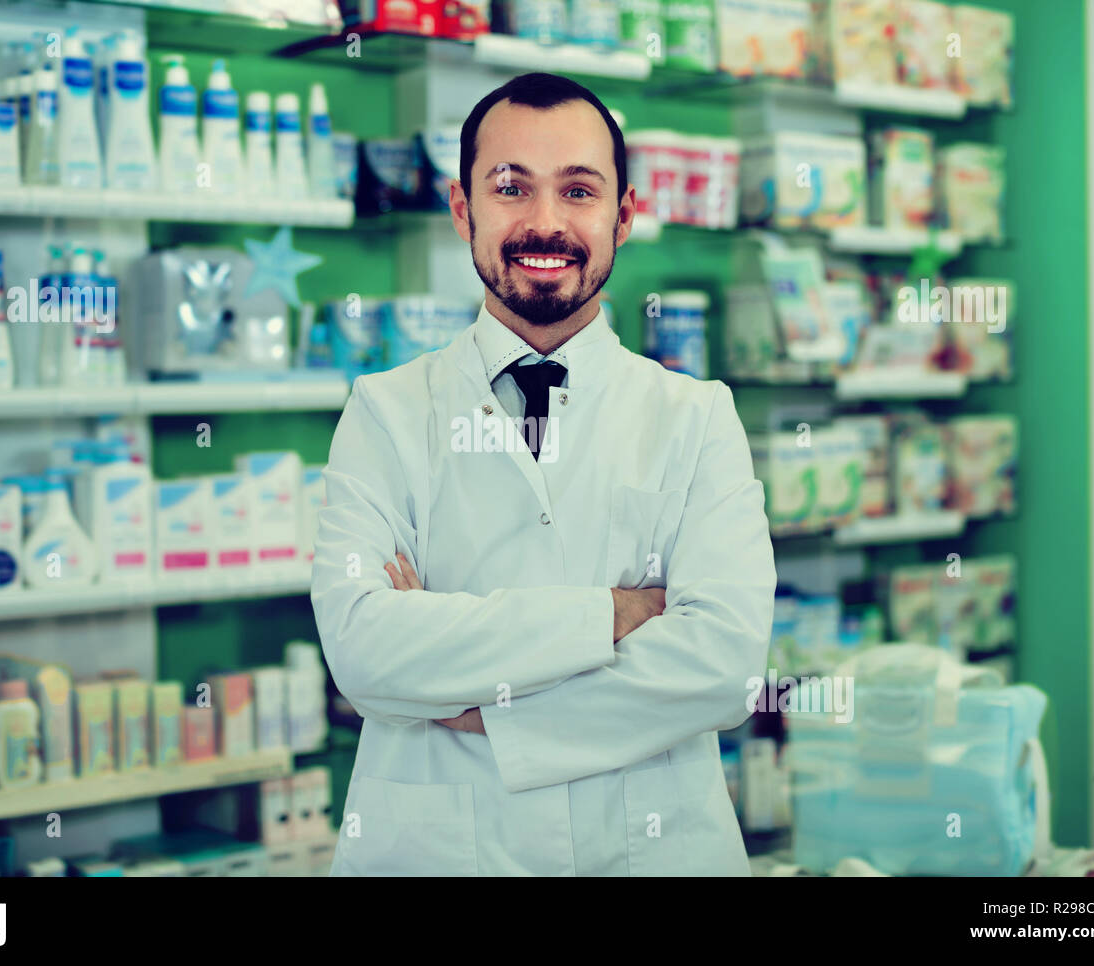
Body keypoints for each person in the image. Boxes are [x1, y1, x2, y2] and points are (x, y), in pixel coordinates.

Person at [310, 72, 776, 876]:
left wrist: (487, 710)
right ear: (464, 210)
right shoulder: (385, 413)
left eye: (579, 190)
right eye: (511, 187)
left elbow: (723, 666)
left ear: (624, 216)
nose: (546, 223)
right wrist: (614, 613)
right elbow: (365, 652)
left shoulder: (697, 417)